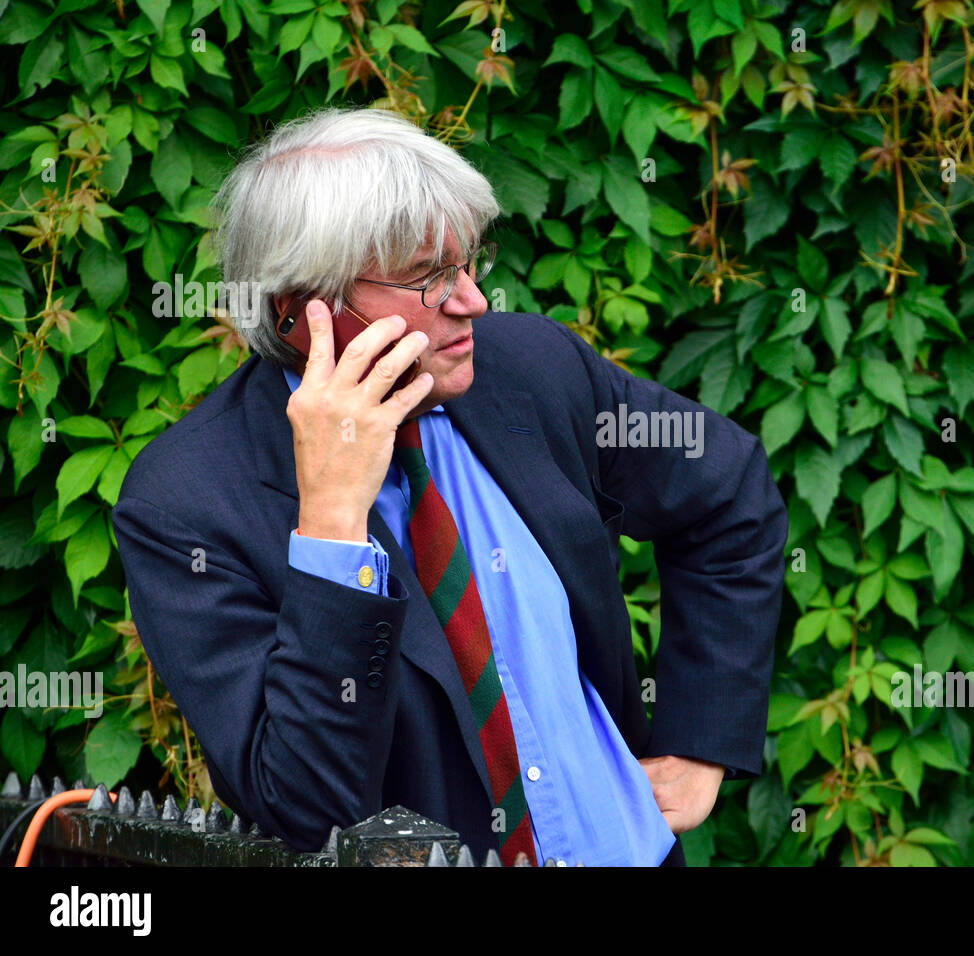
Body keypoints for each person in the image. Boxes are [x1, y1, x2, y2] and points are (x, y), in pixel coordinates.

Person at [111, 107, 787, 867]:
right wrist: (332, 522)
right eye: (427, 279)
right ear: (303, 310)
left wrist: (703, 737)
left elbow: (729, 490)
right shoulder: (186, 504)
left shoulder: (531, 369)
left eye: (468, 265)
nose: (471, 301)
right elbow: (307, 806)